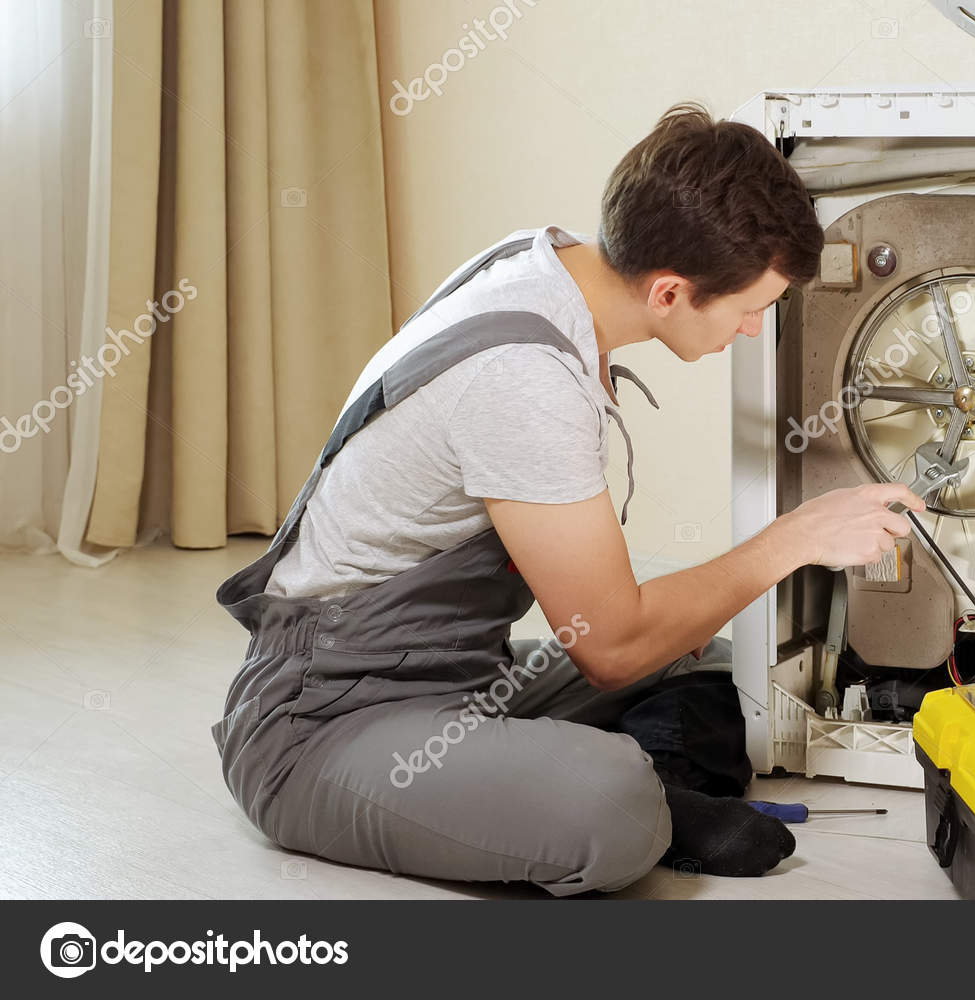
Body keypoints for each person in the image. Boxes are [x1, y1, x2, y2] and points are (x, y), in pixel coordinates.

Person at [209, 103, 926, 896]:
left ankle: (583, 786)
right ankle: (633, 800)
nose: (755, 329)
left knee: (723, 671)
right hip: (323, 722)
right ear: (669, 292)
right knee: (607, 803)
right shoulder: (523, 376)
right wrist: (790, 540)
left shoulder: (547, 263)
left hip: (457, 676)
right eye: (752, 307)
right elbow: (608, 646)